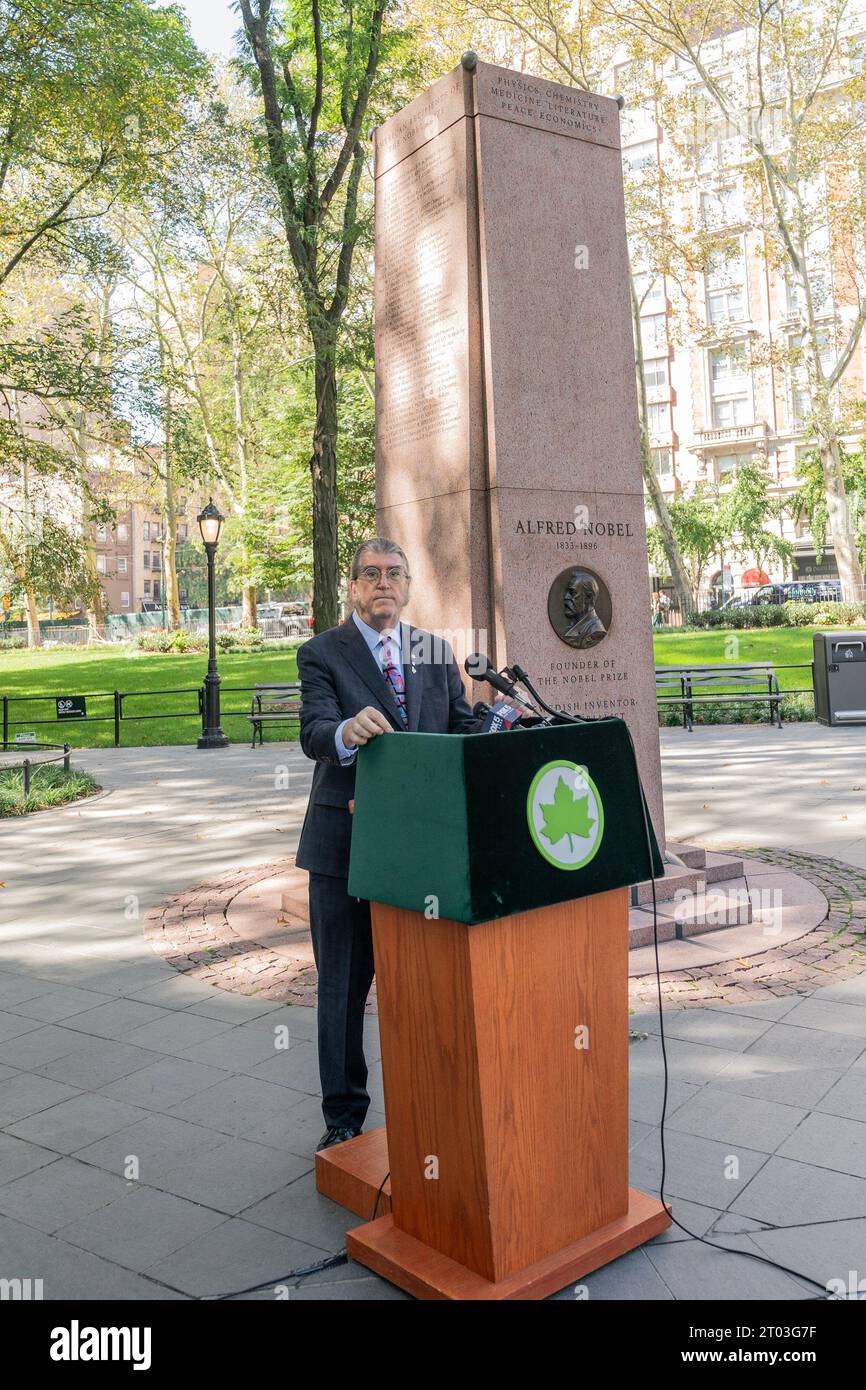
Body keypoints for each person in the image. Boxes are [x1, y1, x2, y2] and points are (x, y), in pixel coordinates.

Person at [295, 536, 480, 1151]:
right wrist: (345, 731)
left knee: (423, 984)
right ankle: (343, 1116)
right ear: (353, 586)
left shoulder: (433, 650)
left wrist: (502, 724)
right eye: (370, 574)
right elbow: (314, 730)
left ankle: (429, 1103)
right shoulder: (323, 652)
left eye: (394, 573)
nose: (383, 583)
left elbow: (459, 726)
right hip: (345, 847)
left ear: (407, 585)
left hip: (421, 850)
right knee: (343, 989)